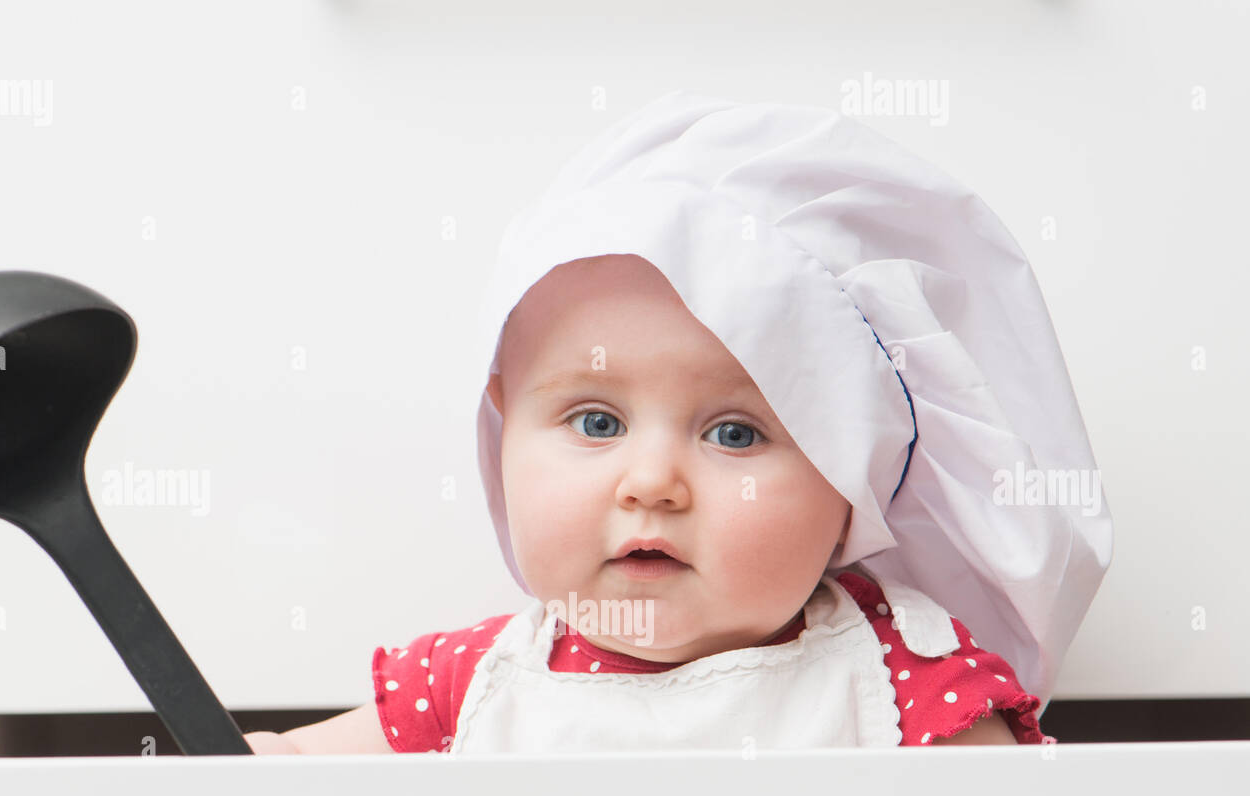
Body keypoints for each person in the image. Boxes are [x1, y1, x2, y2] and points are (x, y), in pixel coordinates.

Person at [244, 92, 1111, 757]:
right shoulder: (466, 689)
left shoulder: (903, 679)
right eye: (594, 421)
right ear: (503, 425)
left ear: (855, 484)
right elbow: (271, 781)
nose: (651, 481)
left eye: (734, 434)